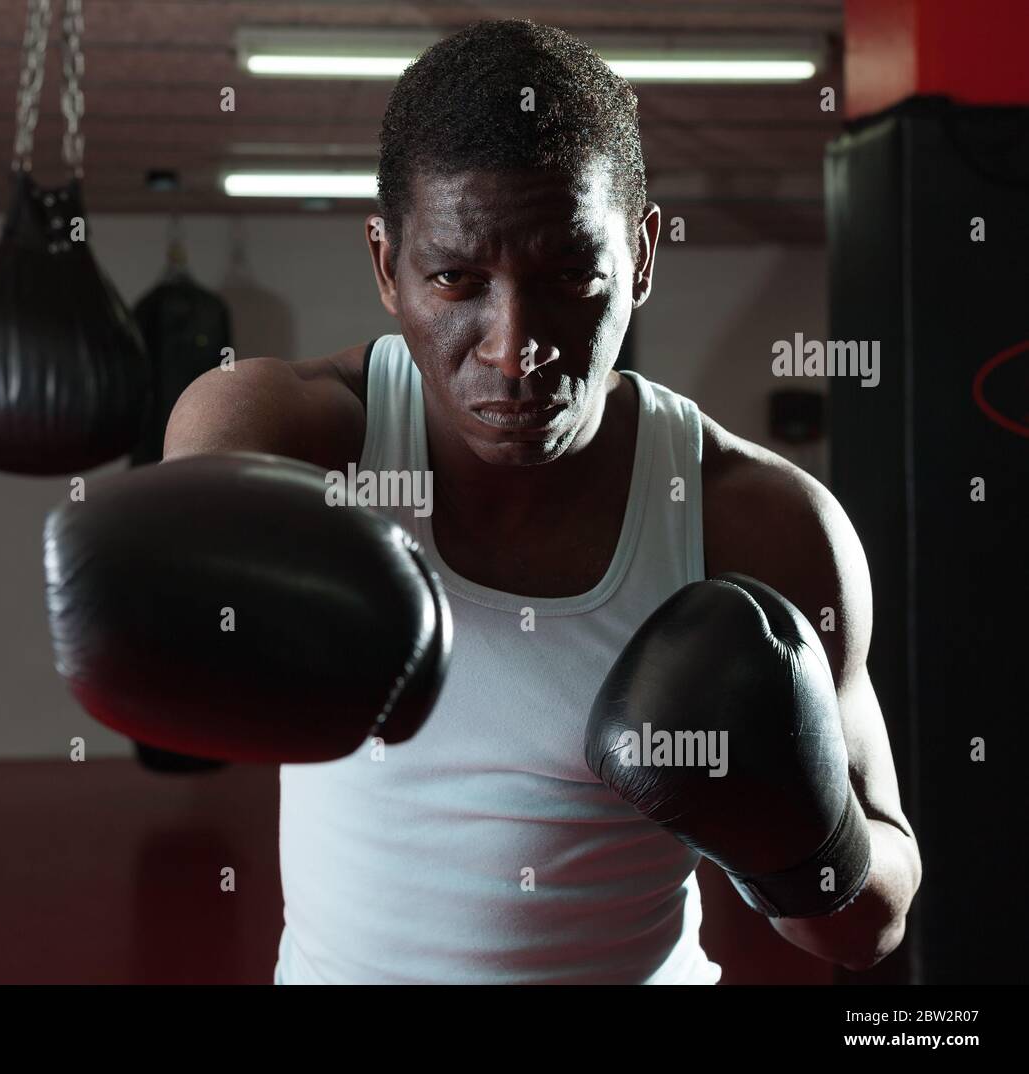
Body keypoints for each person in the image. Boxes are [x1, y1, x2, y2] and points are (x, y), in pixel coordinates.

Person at [47, 19, 921, 984]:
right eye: (457, 278)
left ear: (641, 254)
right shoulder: (295, 433)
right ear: (386, 264)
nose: (514, 345)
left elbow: (868, 928)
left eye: (569, 276)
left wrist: (808, 839)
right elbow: (176, 553)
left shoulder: (756, 520)